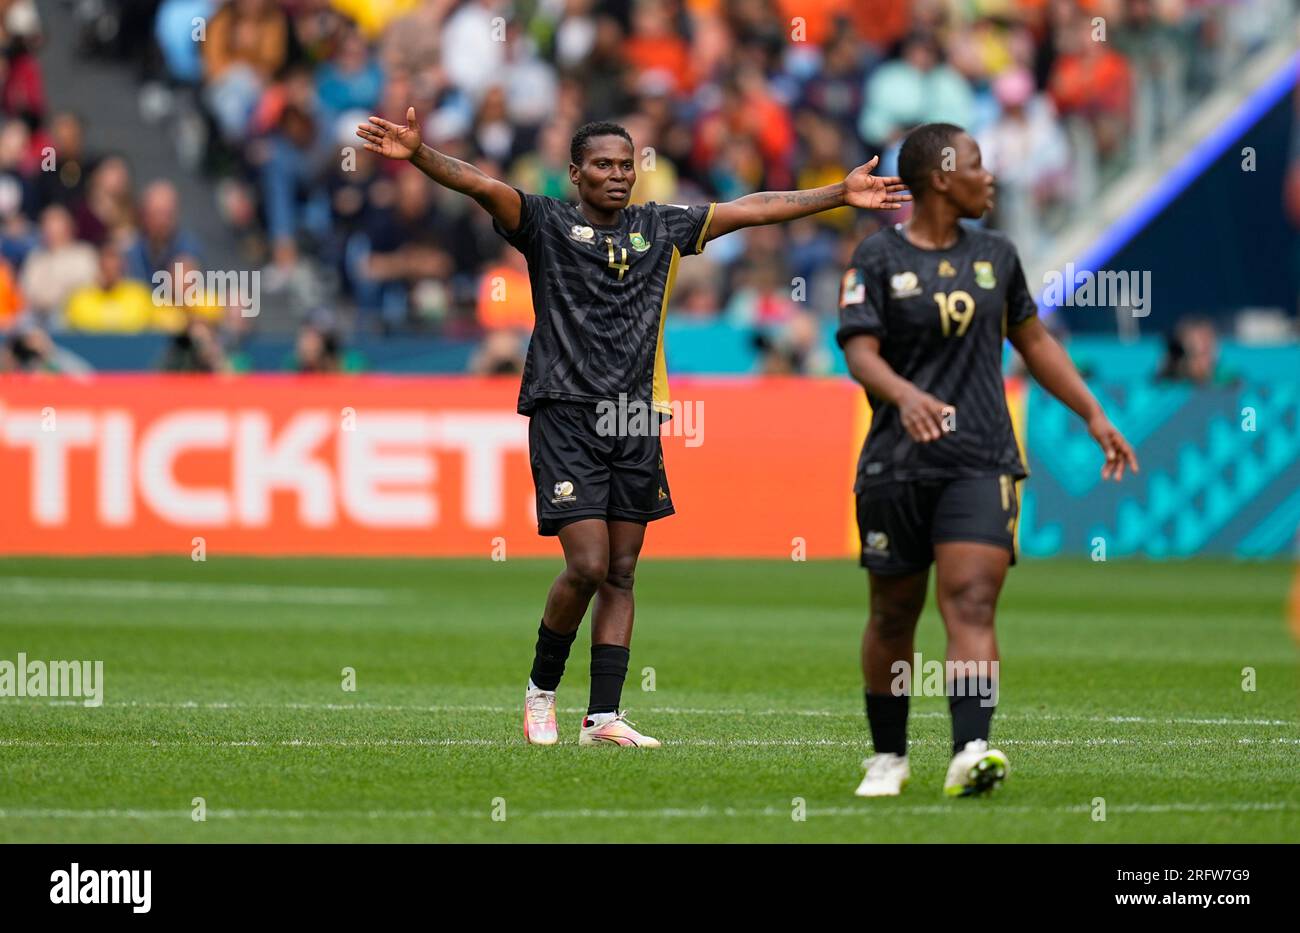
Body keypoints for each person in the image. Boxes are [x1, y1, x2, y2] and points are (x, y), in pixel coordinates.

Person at [358, 108, 910, 747]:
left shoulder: (662, 226)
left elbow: (753, 208)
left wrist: (837, 194)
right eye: (603, 165)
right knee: (587, 565)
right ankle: (541, 692)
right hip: (565, 410)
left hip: (637, 416)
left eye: (627, 165)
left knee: (622, 571)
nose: (618, 175)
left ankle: (603, 717)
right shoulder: (544, 222)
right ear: (575, 173)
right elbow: (479, 183)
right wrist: (422, 154)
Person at [836, 123, 1138, 797]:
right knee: (892, 612)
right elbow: (858, 350)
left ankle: (970, 748)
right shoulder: (876, 257)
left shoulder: (998, 254)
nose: (990, 175)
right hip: (895, 461)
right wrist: (906, 395)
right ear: (941, 176)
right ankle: (888, 755)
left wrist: (1093, 414)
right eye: (977, 163)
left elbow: (1033, 341)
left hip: (981, 457)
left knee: (971, 600)